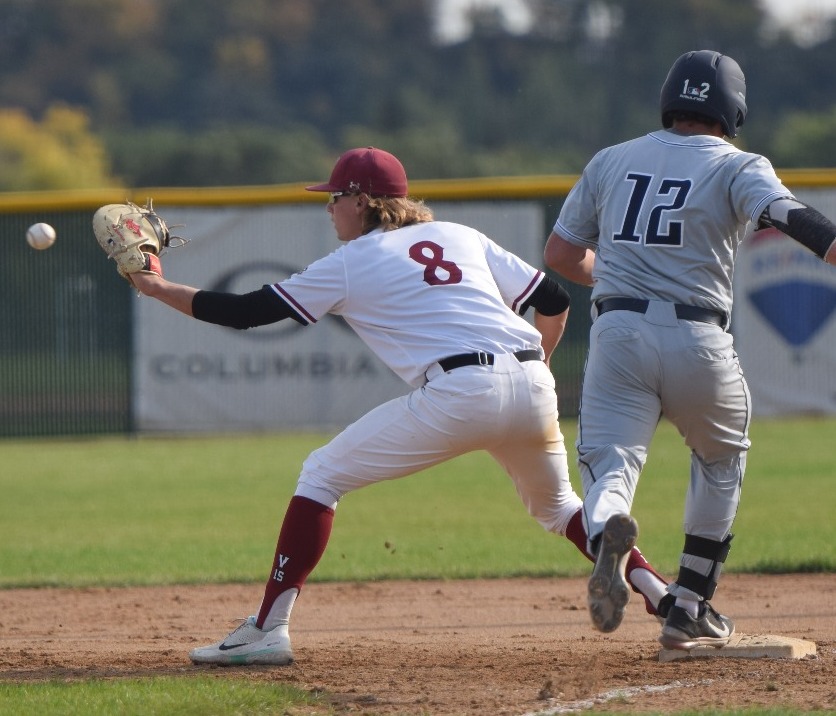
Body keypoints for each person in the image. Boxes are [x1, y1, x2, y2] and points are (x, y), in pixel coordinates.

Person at [129, 146, 672, 666]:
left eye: (335, 196)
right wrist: (540, 366)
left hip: (462, 390)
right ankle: (663, 595)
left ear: (361, 200)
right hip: (532, 382)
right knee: (560, 508)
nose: (328, 206)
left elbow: (247, 311)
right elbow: (552, 301)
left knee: (321, 473)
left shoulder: (351, 260)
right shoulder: (460, 235)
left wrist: (156, 286)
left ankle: (267, 629)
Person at [544, 50, 836, 650]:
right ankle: (690, 606)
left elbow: (561, 256)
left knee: (611, 464)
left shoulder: (613, 159)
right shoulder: (737, 164)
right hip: (698, 338)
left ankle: (607, 534)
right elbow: (788, 215)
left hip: (618, 332)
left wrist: (624, 279)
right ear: (733, 109)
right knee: (721, 458)